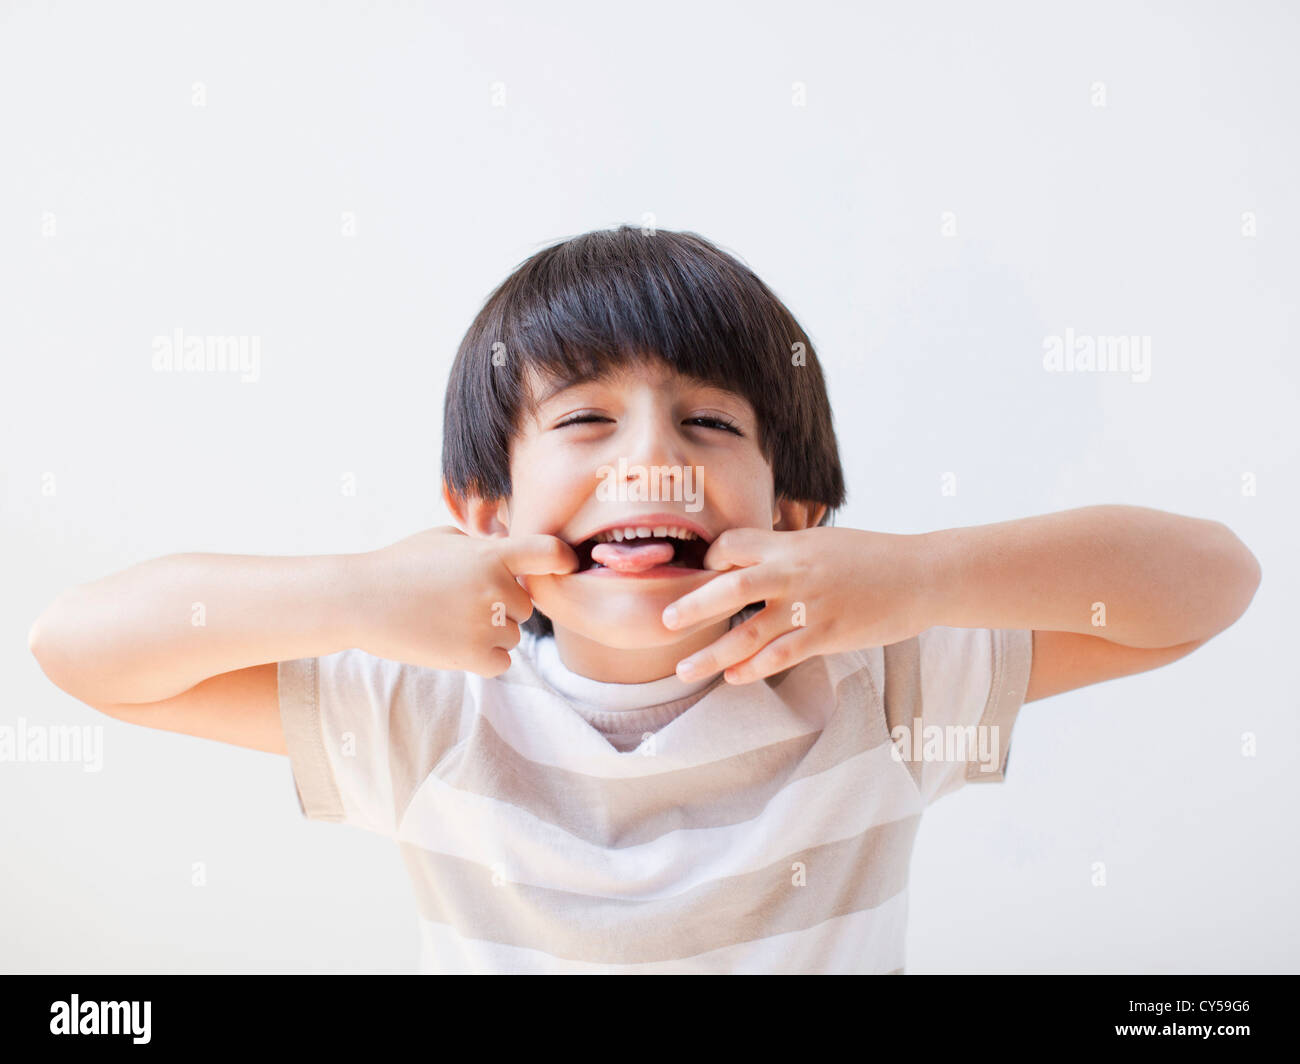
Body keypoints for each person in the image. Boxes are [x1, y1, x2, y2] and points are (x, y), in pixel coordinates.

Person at [28, 225, 1262, 973]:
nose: (649, 461)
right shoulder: (424, 708)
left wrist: (920, 575)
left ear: (793, 512)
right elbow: (78, 648)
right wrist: (356, 593)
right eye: (582, 420)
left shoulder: (880, 683)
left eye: (711, 421)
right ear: (481, 510)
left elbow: (1208, 584)